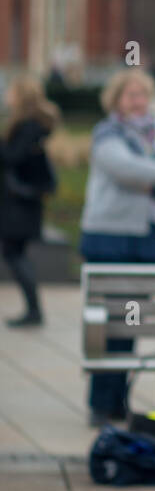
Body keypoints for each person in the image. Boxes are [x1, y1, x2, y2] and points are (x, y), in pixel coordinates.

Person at [80, 68, 155, 426]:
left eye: (142, 95)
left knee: (131, 321)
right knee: (108, 324)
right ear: (116, 100)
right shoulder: (107, 133)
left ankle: (118, 400)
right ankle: (101, 402)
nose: (138, 102)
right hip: (111, 236)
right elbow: (124, 169)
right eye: (130, 95)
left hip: (148, 239)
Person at [0, 75, 60, 327]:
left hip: (18, 202)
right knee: (15, 252)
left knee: (14, 253)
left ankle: (34, 310)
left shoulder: (27, 127)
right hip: (24, 201)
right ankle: (33, 309)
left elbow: (13, 158)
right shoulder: (34, 127)